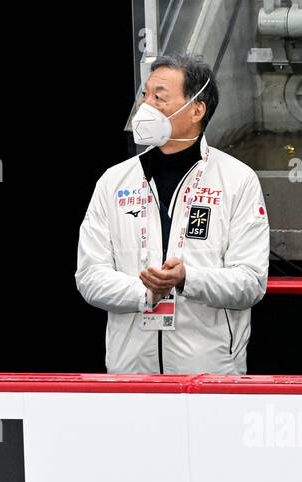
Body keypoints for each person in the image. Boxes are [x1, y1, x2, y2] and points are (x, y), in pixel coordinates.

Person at [75, 54, 269, 374]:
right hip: (131, 374)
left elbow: (251, 282)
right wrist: (146, 292)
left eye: (159, 97)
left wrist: (187, 279)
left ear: (196, 109)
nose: (145, 106)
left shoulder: (237, 180)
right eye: (145, 95)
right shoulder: (114, 181)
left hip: (211, 374)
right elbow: (89, 276)